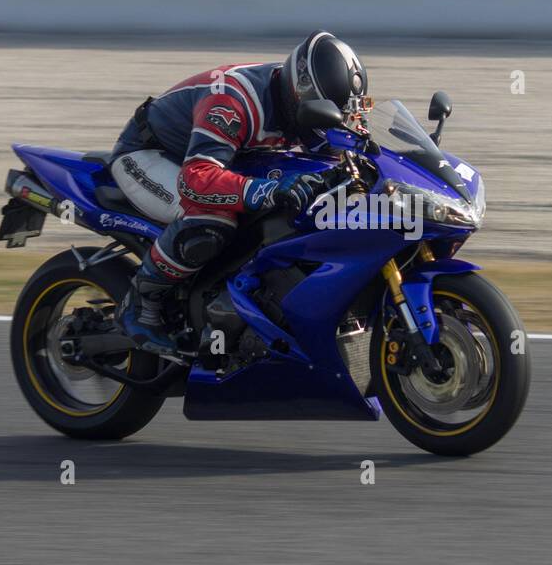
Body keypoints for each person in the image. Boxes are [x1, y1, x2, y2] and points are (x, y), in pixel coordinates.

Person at [110, 31, 368, 353]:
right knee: (212, 219)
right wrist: (266, 191)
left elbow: (351, 152)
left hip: (224, 160)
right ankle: (140, 303)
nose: (330, 125)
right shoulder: (232, 100)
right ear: (300, 92)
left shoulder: (303, 105)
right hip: (154, 156)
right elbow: (195, 180)